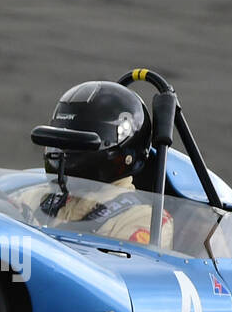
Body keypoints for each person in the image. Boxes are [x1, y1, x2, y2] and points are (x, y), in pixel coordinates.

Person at [15, 80, 173, 246]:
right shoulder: (32, 198)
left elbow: (126, 270)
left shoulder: (145, 220)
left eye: (74, 146)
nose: (62, 155)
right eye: (60, 143)